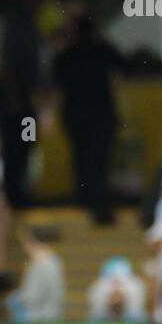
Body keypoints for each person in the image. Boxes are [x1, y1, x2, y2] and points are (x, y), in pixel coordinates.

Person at [53, 14, 124, 225]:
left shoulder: (67, 54)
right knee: (99, 161)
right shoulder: (101, 49)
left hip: (77, 115)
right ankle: (98, 204)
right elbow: (124, 65)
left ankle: (85, 201)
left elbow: (55, 74)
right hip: (100, 114)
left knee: (82, 159)